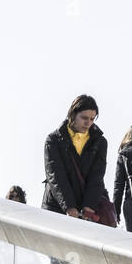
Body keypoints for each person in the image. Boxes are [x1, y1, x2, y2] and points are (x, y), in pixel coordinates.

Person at [43, 94, 111, 223]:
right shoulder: (53, 140)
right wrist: (69, 206)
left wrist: (89, 206)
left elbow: (97, 176)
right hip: (56, 206)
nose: (88, 123)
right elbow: (56, 175)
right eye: (84, 118)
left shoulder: (100, 142)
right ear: (73, 115)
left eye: (92, 119)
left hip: (85, 210)